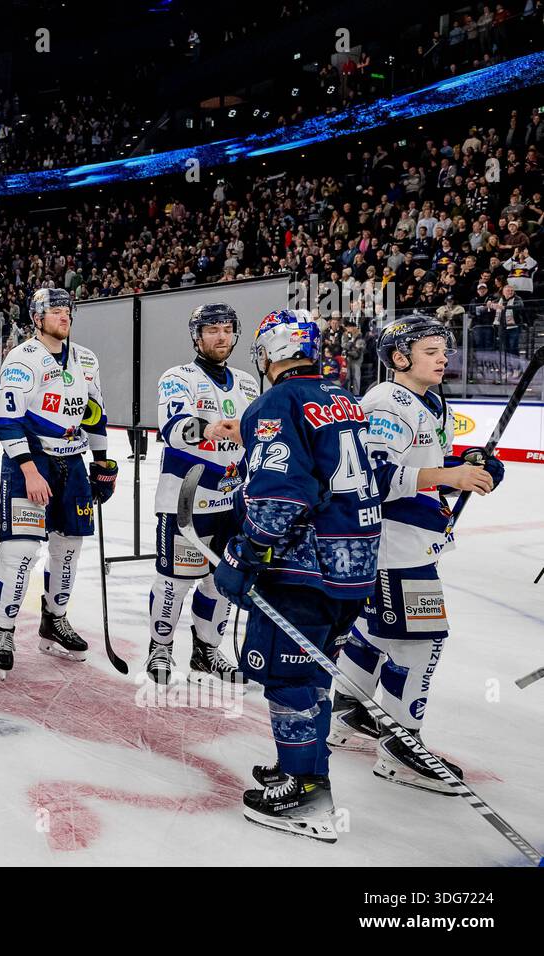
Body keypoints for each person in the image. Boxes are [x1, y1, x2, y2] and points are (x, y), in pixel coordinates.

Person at [214, 309, 381, 844]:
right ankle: (301, 766)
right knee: (316, 670)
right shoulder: (341, 397)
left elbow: (282, 494)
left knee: (289, 677)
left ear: (270, 352)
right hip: (355, 566)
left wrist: (245, 553)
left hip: (306, 569)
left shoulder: (277, 401)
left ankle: (308, 791)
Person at [333, 316, 504, 793]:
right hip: (393, 545)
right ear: (400, 357)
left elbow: (423, 464)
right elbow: (377, 477)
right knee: (420, 642)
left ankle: (346, 714)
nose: (443, 357)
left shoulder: (429, 401)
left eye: (443, 349)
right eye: (431, 350)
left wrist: (465, 466)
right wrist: (450, 478)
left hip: (410, 541)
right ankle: (400, 747)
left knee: (372, 632)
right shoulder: (386, 402)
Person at [0, 287, 118, 680]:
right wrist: (29, 470)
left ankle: (54, 620)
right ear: (37, 318)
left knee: (69, 548)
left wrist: (102, 462)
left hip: (73, 462)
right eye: (55, 310)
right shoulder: (22, 359)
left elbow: (94, 413)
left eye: (68, 310)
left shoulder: (86, 359)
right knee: (21, 552)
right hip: (31, 460)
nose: (64, 316)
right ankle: (3, 630)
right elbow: (7, 420)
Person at [145, 303, 257, 686]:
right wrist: (212, 429)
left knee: (220, 581)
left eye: (226, 328)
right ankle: (159, 647)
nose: (221, 336)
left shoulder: (246, 383)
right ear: (197, 336)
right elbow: (173, 427)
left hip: (232, 500)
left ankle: (206, 651)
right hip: (186, 500)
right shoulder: (179, 377)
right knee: (174, 580)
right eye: (212, 330)